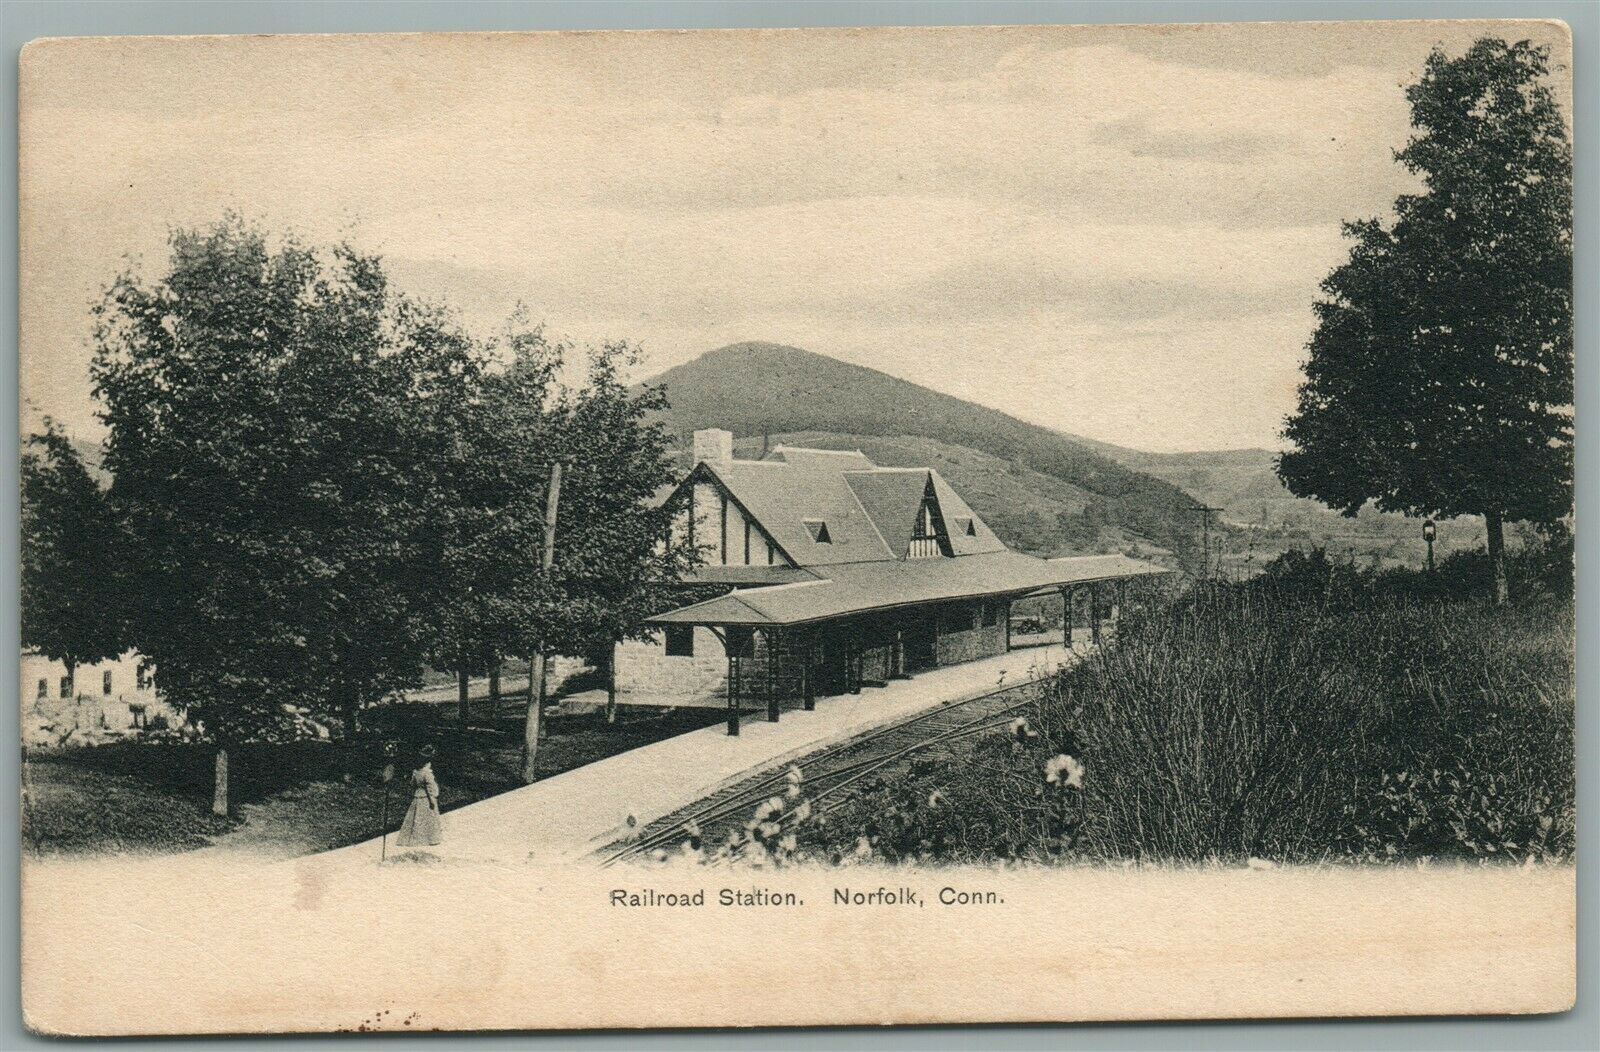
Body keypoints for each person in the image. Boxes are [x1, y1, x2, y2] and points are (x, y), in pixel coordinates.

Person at [395, 744, 443, 847]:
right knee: (429, 818)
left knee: (415, 817)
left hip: (417, 797)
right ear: (427, 763)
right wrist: (432, 801)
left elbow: (412, 784)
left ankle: (413, 837)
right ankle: (430, 838)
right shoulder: (427, 774)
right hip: (426, 799)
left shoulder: (416, 772)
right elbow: (430, 789)